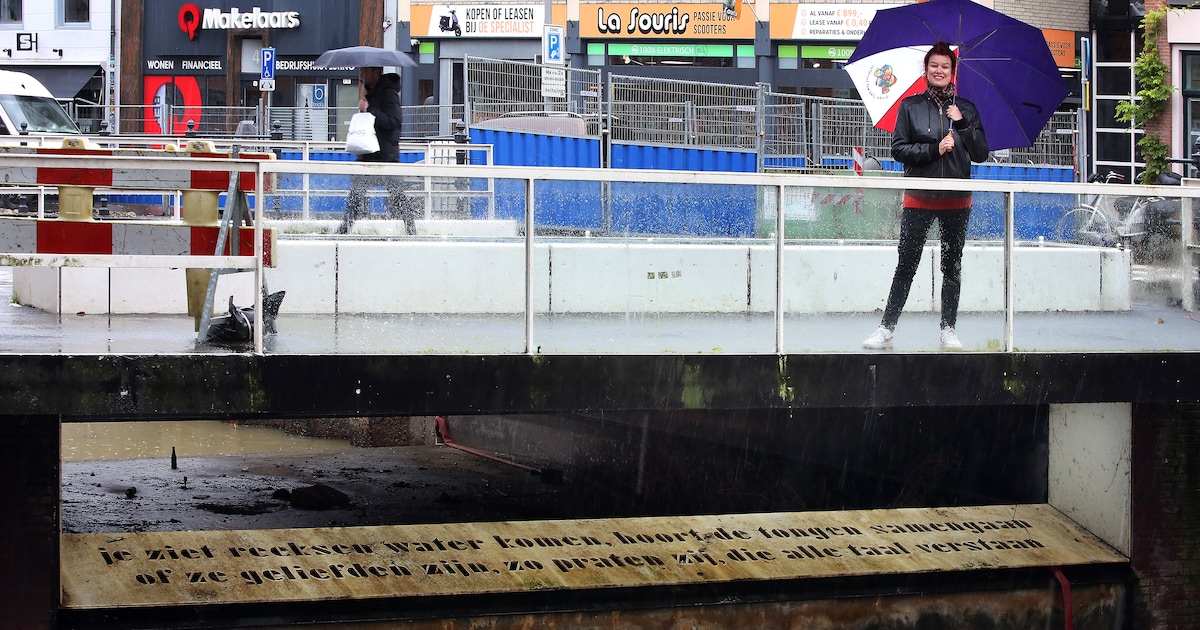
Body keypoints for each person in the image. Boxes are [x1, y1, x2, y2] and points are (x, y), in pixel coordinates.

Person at [862, 41, 988, 351]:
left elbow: (981, 153)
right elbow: (899, 150)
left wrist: (960, 122)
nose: (939, 71)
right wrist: (935, 149)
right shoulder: (910, 107)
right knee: (906, 264)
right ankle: (887, 327)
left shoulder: (967, 109)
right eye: (934, 66)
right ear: (926, 70)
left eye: (945, 66)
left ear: (953, 72)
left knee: (952, 266)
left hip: (957, 199)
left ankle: (949, 327)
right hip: (919, 196)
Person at [339, 66, 418, 235]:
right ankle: (345, 228)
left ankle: (411, 228)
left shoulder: (388, 94)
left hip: (385, 155)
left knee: (396, 194)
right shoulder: (372, 94)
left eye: (365, 72)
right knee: (357, 193)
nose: (362, 76)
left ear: (375, 71)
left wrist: (370, 110)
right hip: (369, 154)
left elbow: (394, 121)